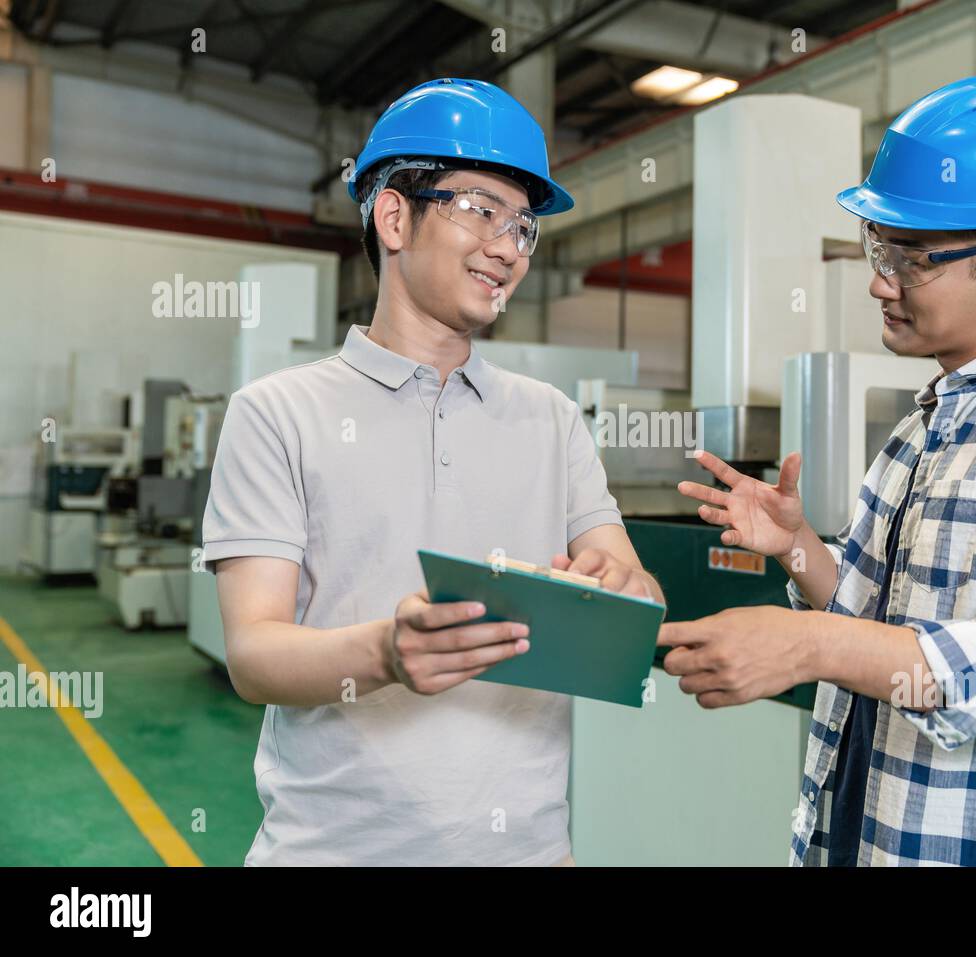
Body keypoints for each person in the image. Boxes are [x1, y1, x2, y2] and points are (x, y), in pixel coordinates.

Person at [662, 75, 976, 866]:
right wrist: (799, 549)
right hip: (871, 825)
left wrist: (806, 646)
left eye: (914, 257)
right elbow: (872, 622)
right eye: (879, 248)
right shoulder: (921, 425)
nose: (878, 279)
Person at [202, 78, 662, 866]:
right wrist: (386, 653)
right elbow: (253, 655)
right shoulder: (277, 412)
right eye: (481, 210)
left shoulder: (551, 418)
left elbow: (636, 591)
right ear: (393, 216)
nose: (509, 248)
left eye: (523, 226)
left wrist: (620, 593)